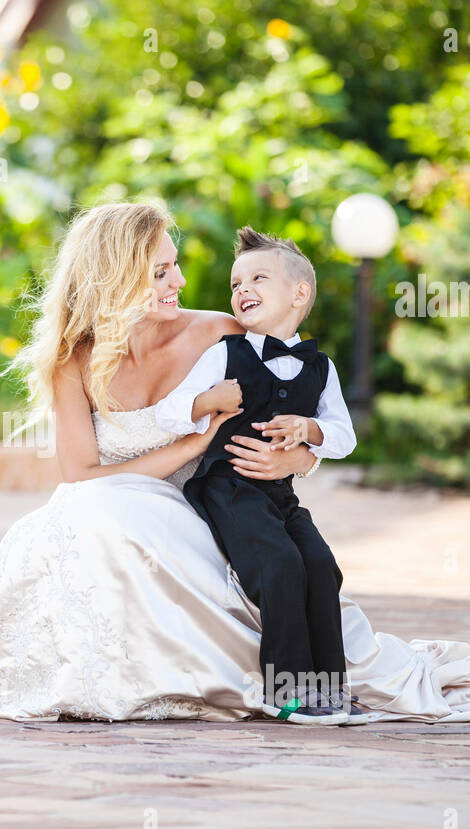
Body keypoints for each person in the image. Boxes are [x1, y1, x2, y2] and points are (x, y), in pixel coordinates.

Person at [0, 201, 470, 725]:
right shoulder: (73, 360)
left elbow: (287, 412)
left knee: (305, 579)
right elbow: (80, 475)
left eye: (175, 266)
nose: (180, 281)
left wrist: (296, 462)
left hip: (215, 514)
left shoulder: (220, 335)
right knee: (89, 514)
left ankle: (305, 683)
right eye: (161, 272)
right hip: (117, 513)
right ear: (115, 275)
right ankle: (114, 671)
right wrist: (191, 444)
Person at [154, 226, 361, 725]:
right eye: (235, 283)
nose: (242, 289)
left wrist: (310, 429)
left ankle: (327, 689)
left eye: (258, 278)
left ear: (299, 293)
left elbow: (344, 435)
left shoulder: (320, 367)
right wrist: (208, 402)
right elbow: (167, 411)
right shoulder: (227, 353)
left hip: (280, 495)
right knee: (279, 565)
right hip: (228, 489)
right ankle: (285, 691)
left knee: (320, 565)